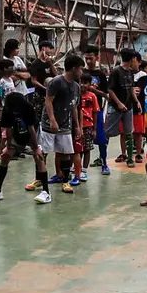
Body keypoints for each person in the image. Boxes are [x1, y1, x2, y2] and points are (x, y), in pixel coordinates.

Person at [34, 54, 84, 204]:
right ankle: (38, 179)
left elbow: (74, 106)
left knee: (65, 153)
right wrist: (52, 120)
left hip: (65, 125)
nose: (82, 72)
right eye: (80, 69)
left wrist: (77, 126)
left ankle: (65, 181)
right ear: (74, 69)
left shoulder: (76, 87)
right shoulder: (56, 82)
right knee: (43, 152)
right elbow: (48, 102)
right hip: (49, 124)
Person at [0, 70, 44, 201]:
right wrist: (8, 146)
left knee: (38, 156)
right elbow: (8, 129)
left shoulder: (28, 109)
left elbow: (32, 130)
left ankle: (44, 190)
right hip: (18, 132)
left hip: (32, 131)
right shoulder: (8, 110)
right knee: (5, 157)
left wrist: (35, 148)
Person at [81, 45, 112, 175]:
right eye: (86, 58)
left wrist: (94, 91)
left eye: (91, 58)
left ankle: (104, 162)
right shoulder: (81, 72)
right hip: (80, 111)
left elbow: (106, 94)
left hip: (96, 110)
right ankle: (78, 166)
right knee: (80, 139)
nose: (88, 61)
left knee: (101, 138)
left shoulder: (100, 74)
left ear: (97, 58)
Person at [106, 48, 139, 167]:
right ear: (132, 59)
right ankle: (102, 158)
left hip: (128, 107)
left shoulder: (130, 72)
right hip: (115, 107)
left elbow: (131, 88)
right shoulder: (116, 72)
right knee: (108, 132)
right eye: (135, 59)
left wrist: (136, 101)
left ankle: (130, 158)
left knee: (128, 132)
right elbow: (110, 89)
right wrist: (119, 103)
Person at [78, 76, 100, 178]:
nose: (82, 85)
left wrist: (94, 129)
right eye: (81, 82)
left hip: (88, 126)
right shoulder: (75, 95)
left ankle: (84, 170)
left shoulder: (92, 96)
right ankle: (76, 167)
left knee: (87, 149)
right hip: (77, 126)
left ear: (89, 84)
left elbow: (95, 112)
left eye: (85, 82)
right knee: (77, 149)